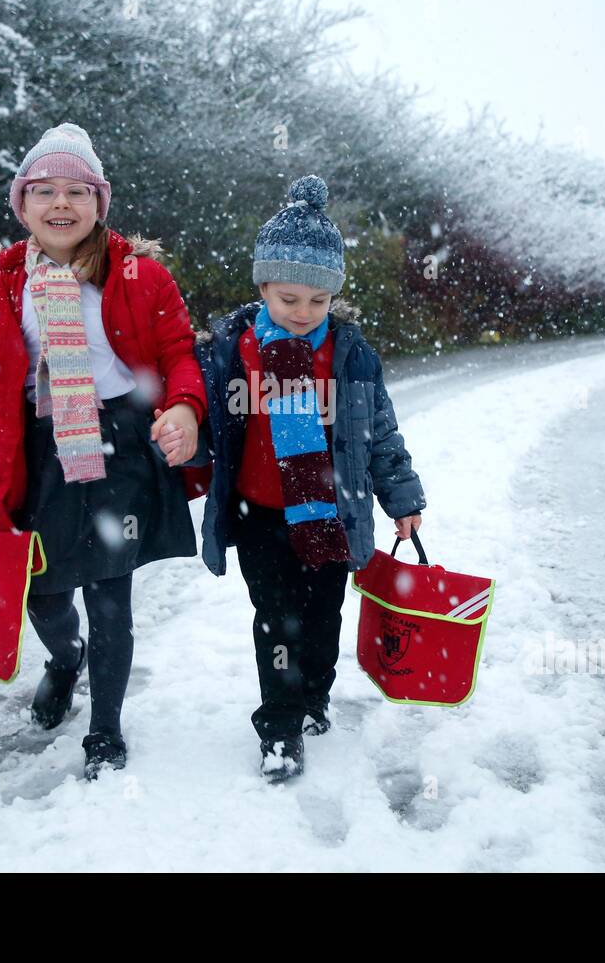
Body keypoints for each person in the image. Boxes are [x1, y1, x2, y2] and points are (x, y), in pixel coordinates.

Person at [0, 122, 207, 779]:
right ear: (23, 203)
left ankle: (105, 729)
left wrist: (182, 405)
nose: (60, 203)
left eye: (76, 190)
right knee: (41, 588)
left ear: (99, 202)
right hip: (37, 452)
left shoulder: (141, 274)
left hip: (118, 444)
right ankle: (66, 658)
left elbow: (179, 352)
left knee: (109, 590)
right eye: (44, 190)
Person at [187, 174, 426, 782]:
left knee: (321, 621)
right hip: (259, 512)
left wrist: (401, 497)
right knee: (276, 619)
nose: (302, 313)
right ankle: (280, 724)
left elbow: (382, 432)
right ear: (264, 286)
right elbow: (212, 425)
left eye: (317, 302)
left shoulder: (350, 354)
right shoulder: (229, 351)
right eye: (289, 298)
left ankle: (315, 692)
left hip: (330, 512)